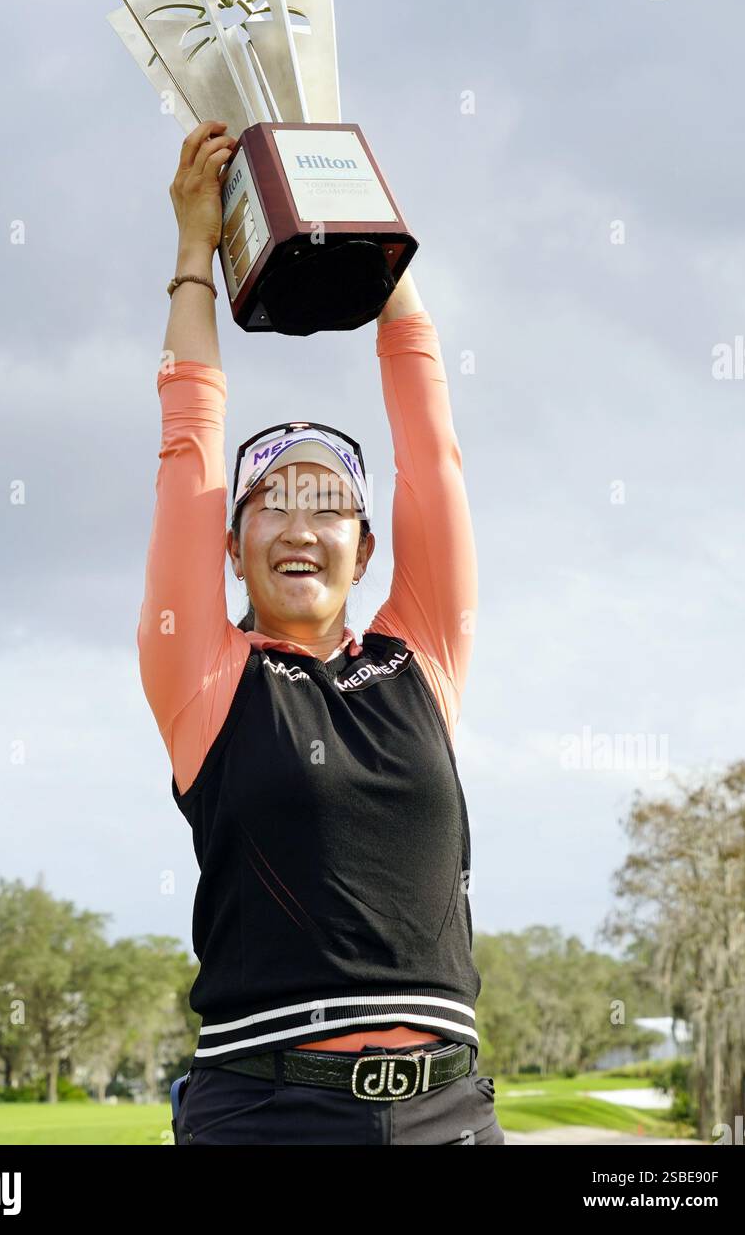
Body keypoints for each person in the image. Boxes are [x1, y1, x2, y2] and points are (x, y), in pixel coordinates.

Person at [138, 119, 505, 1145]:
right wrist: (193, 249)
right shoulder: (204, 674)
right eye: (271, 502)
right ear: (232, 541)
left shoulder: (417, 660)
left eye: (327, 502)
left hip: (447, 1111)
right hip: (267, 1112)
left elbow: (433, 451)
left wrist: (364, 238)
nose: (300, 523)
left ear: (366, 540)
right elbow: (187, 440)